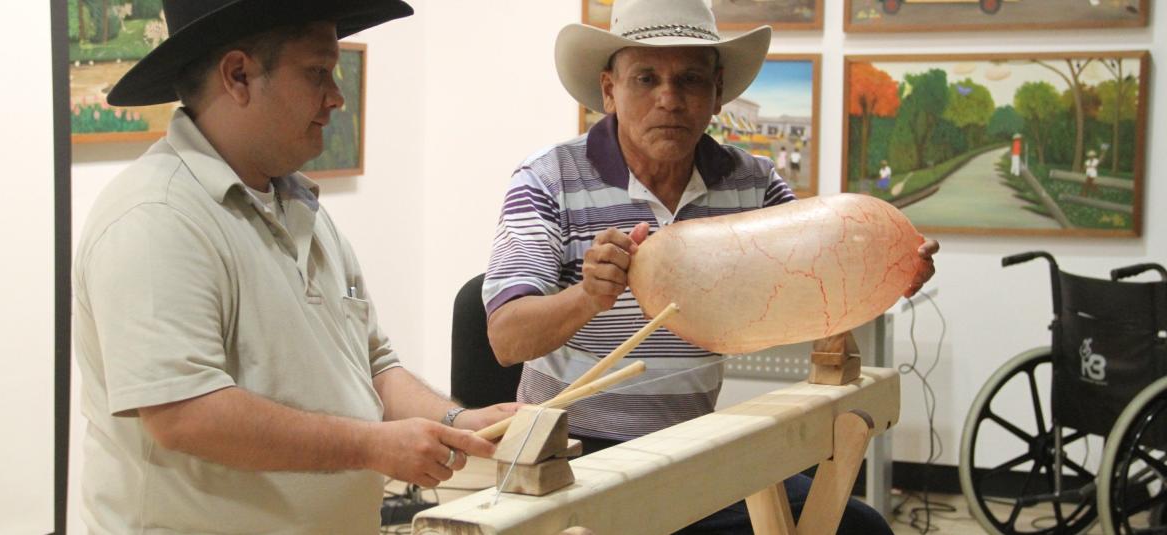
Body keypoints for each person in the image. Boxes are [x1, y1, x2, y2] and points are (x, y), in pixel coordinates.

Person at [483, 0, 938, 533]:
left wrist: (883, 265)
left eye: (691, 80)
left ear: (718, 92)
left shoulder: (752, 182)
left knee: (862, 530)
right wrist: (588, 295)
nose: (669, 99)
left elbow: (815, 268)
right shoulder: (547, 180)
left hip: (695, 447)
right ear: (610, 89)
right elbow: (505, 339)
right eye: (645, 78)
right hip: (573, 457)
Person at [73, 2, 515, 532]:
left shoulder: (299, 206)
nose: (337, 97)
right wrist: (371, 445)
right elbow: (185, 415)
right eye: (318, 72)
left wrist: (457, 422)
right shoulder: (156, 217)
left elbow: (373, 365)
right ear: (238, 76)